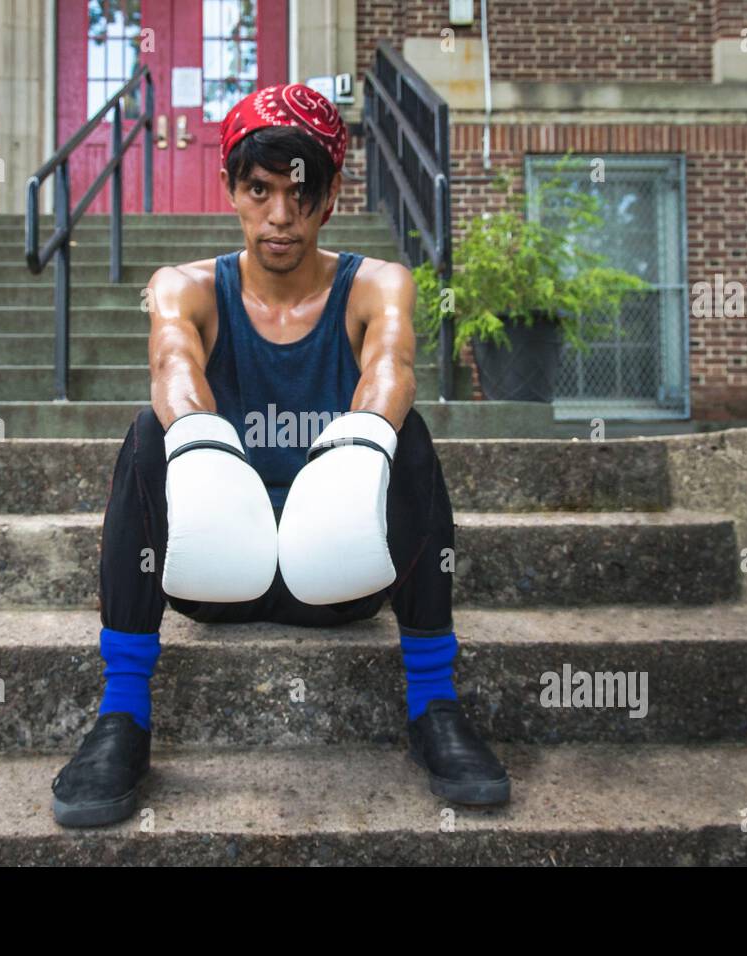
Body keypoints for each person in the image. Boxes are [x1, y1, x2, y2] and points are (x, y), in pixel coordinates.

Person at [51, 83, 509, 827]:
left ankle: (434, 707)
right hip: (214, 572)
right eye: (259, 190)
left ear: (328, 200)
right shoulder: (186, 286)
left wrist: (365, 439)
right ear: (231, 190)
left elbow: (391, 362)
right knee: (146, 432)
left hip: (338, 573)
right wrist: (198, 440)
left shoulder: (375, 283)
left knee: (411, 433)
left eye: (300, 194)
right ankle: (122, 717)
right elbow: (173, 361)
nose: (280, 216)